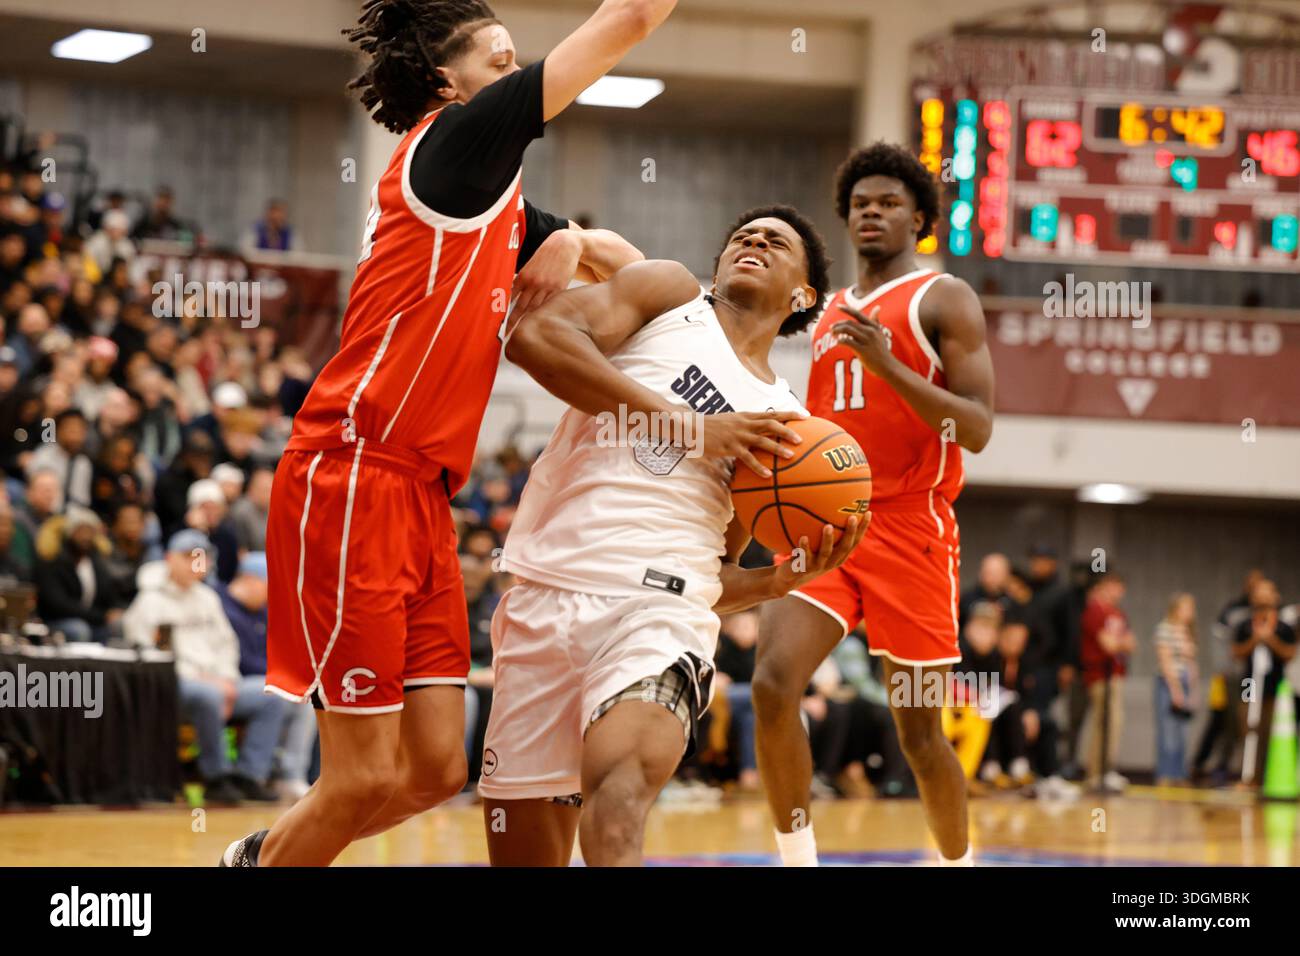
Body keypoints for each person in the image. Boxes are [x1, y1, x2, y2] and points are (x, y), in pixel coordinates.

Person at [225, 0, 681, 869]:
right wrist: (573, 244)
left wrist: (574, 238)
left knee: (434, 769)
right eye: (500, 62)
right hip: (353, 474)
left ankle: (260, 858)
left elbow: (634, 270)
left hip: (424, 495)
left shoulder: (486, 194)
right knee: (361, 775)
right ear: (449, 83)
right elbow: (629, 16)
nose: (516, 76)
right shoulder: (453, 144)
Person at [480, 205, 864, 866]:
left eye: (777, 242)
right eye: (743, 235)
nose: (755, 240)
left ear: (803, 296)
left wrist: (776, 581)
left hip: (660, 611)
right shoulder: (670, 296)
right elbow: (535, 338)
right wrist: (688, 426)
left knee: (621, 792)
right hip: (544, 596)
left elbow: (716, 575)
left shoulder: (786, 429)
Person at [750, 142, 994, 867]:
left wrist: (889, 363)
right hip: (828, 517)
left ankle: (957, 863)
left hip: (913, 528)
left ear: (918, 218)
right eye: (860, 204)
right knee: (772, 685)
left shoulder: (944, 298)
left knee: (918, 734)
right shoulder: (826, 308)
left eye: (889, 203)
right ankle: (798, 860)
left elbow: (977, 428)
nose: (872, 213)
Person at [124, 530, 286, 804]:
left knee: (271, 694)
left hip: (219, 682)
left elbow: (227, 645)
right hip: (175, 685)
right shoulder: (149, 602)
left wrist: (226, 678)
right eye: (188, 557)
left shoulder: (208, 598)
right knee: (208, 695)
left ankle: (249, 776)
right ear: (170, 559)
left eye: (201, 557)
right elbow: (153, 658)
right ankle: (215, 777)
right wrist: (206, 681)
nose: (195, 563)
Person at [1232, 578, 1297, 785]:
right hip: (1249, 682)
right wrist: (1255, 640)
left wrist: (1270, 639)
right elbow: (1236, 652)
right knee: (1246, 725)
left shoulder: (1284, 627)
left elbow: (1290, 653)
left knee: (1270, 729)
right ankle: (1247, 775)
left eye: (1267, 592)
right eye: (1259, 592)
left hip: (1274, 684)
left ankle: (1266, 777)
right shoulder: (1244, 625)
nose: (1262, 596)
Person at [33, 505, 125, 643]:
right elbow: (59, 605)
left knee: (118, 625)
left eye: (90, 531)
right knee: (79, 629)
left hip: (91, 621)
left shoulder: (96, 562)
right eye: (81, 531)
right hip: (56, 621)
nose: (86, 537)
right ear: (70, 532)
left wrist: (114, 611)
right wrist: (101, 616)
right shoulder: (53, 559)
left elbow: (109, 595)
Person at [1080, 571, 1134, 792]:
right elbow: (1108, 645)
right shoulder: (1094, 611)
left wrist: (1118, 643)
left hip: (1116, 674)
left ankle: (1106, 770)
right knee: (1104, 723)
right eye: (1115, 587)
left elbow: (1131, 643)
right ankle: (1095, 773)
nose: (1118, 592)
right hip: (1100, 675)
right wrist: (1119, 643)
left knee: (1114, 723)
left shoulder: (1118, 613)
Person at [1154, 592, 1198, 786]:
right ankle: (1166, 773)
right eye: (1187, 608)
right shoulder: (1165, 629)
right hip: (1169, 683)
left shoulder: (1187, 631)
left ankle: (1179, 774)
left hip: (1186, 682)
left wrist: (1193, 690)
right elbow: (1166, 661)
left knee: (1182, 732)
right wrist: (1176, 690)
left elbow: (1191, 662)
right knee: (1168, 731)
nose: (1191, 612)